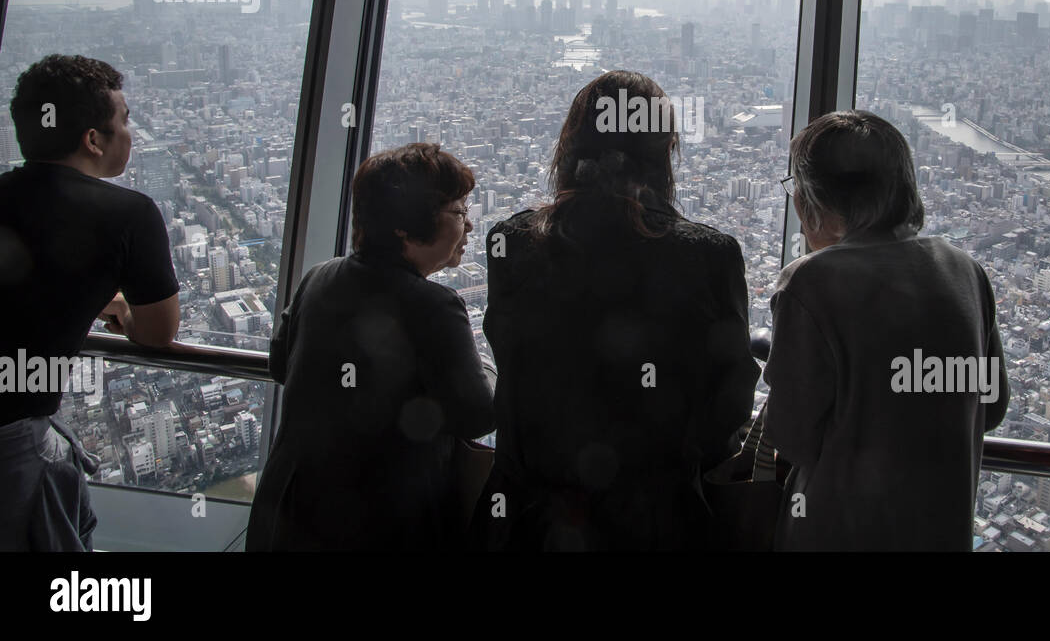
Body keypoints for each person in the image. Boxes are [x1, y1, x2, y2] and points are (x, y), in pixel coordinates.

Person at [473, 70, 758, 551]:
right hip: (655, 515)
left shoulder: (513, 242)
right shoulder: (708, 254)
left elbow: (516, 362)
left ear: (571, 146)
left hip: (528, 512)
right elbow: (729, 400)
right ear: (663, 150)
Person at [764, 110, 1007, 550]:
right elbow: (991, 408)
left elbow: (791, 436)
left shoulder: (811, 282)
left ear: (813, 198)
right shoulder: (965, 271)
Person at [246, 143, 495, 551]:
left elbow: (280, 365)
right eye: (458, 212)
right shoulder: (433, 305)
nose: (468, 226)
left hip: (287, 511)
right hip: (380, 523)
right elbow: (476, 416)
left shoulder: (319, 277)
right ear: (406, 225)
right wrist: (486, 370)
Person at [0, 54, 180, 551]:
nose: (131, 132)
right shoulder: (129, 215)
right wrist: (117, 306)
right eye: (124, 120)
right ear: (93, 140)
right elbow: (159, 332)